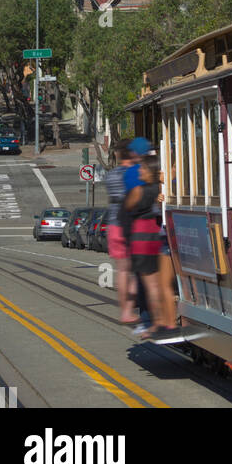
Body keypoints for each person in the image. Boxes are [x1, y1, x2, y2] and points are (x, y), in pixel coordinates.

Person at [121, 142, 168, 338]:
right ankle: (163, 320)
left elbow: (126, 210)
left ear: (149, 170)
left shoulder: (138, 191)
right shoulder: (160, 188)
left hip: (141, 239)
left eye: (142, 168)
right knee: (160, 283)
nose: (139, 170)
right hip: (157, 235)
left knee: (151, 286)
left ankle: (156, 323)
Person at [106, 138, 137, 324]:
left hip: (113, 224)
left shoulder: (111, 176)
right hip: (131, 224)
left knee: (122, 271)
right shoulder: (135, 174)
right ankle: (132, 309)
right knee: (140, 270)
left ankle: (125, 311)